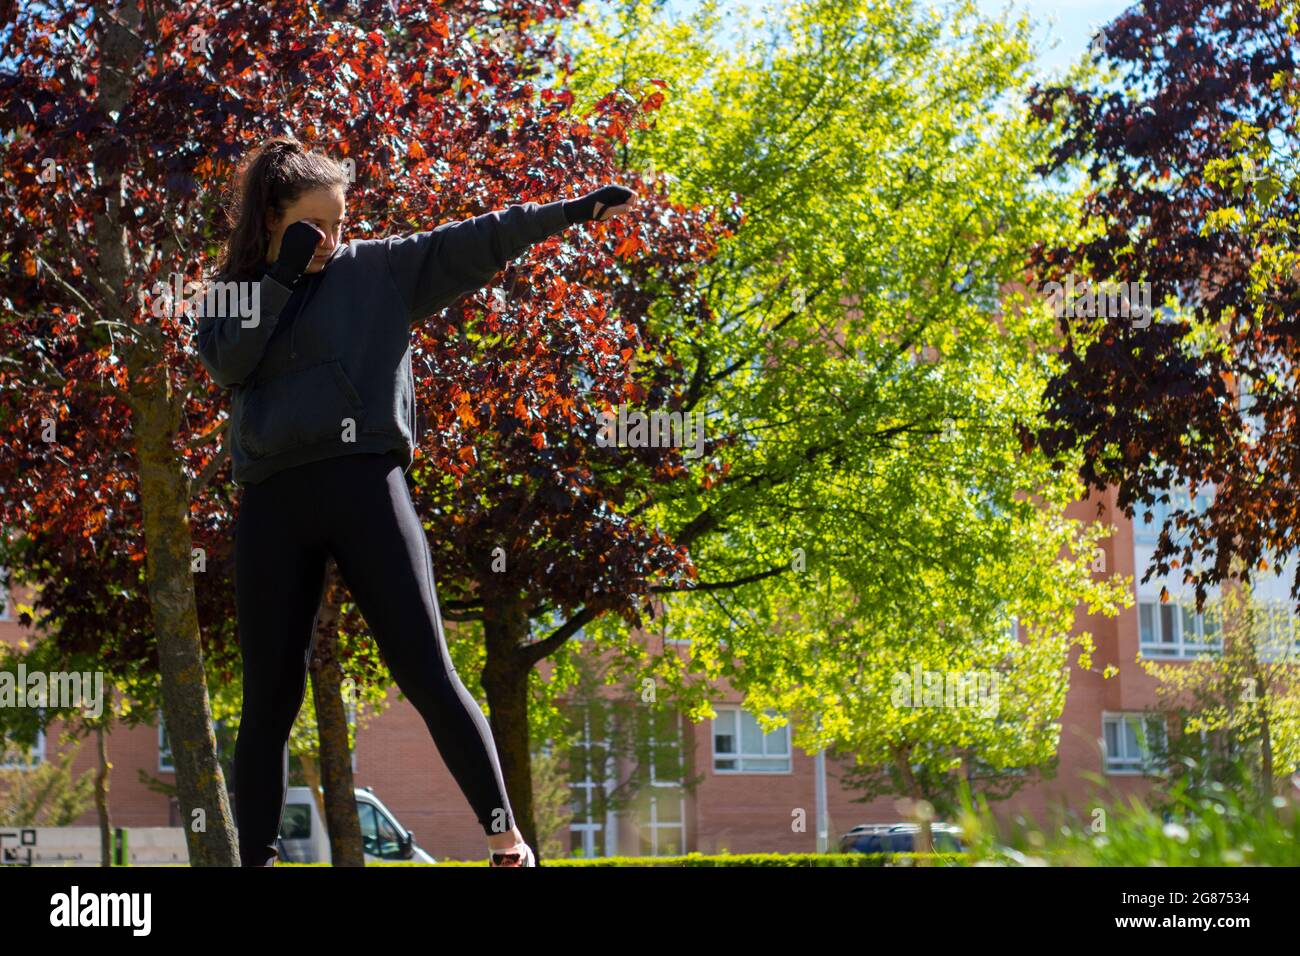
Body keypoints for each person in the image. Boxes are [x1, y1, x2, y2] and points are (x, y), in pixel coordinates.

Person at [195, 135, 635, 867]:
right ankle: (256, 862)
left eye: (340, 222)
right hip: (272, 501)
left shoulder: (378, 270)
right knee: (269, 697)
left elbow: (477, 239)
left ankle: (508, 843)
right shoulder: (234, 293)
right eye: (314, 226)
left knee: (426, 669)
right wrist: (279, 276)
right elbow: (227, 361)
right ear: (272, 218)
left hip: (366, 485)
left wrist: (568, 211)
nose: (332, 240)